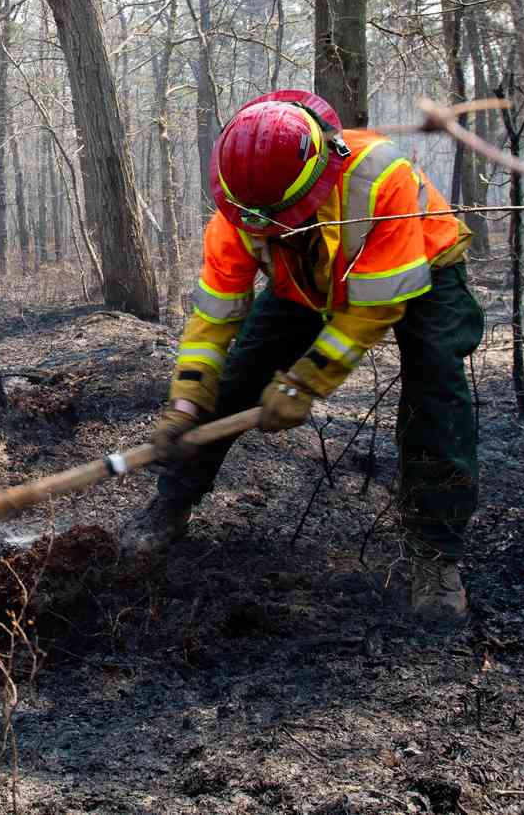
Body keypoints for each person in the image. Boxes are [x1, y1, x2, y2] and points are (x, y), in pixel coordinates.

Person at [123, 89, 484, 627]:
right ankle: (172, 502)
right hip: (307, 281)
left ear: (318, 181)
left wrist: (304, 383)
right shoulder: (239, 209)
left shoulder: (381, 180)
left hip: (423, 266)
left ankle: (435, 554)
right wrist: (185, 402)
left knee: (435, 389)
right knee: (238, 377)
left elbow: (373, 308)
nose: (266, 231)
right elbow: (213, 321)